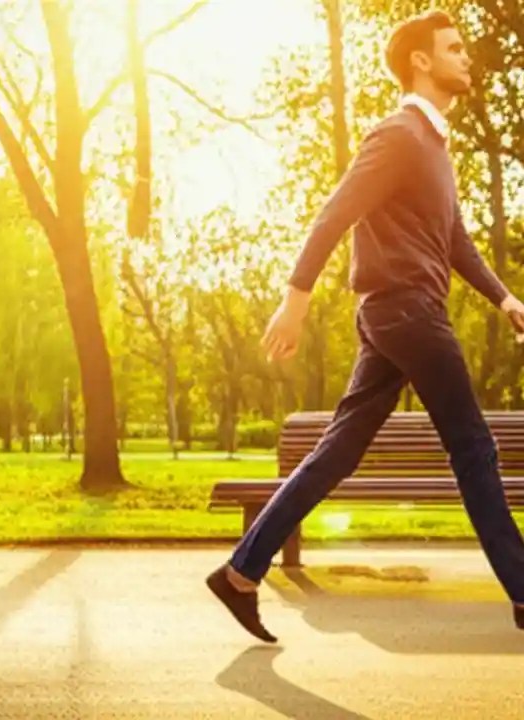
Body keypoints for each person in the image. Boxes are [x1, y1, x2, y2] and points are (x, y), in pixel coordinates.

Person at [206, 9, 524, 642]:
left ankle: (240, 573)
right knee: (473, 447)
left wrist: (503, 297)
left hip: (394, 314)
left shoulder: (434, 146)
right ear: (421, 62)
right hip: (407, 309)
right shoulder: (398, 135)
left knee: (340, 450)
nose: (466, 58)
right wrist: (295, 300)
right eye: (454, 48)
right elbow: (335, 212)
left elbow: (453, 238)